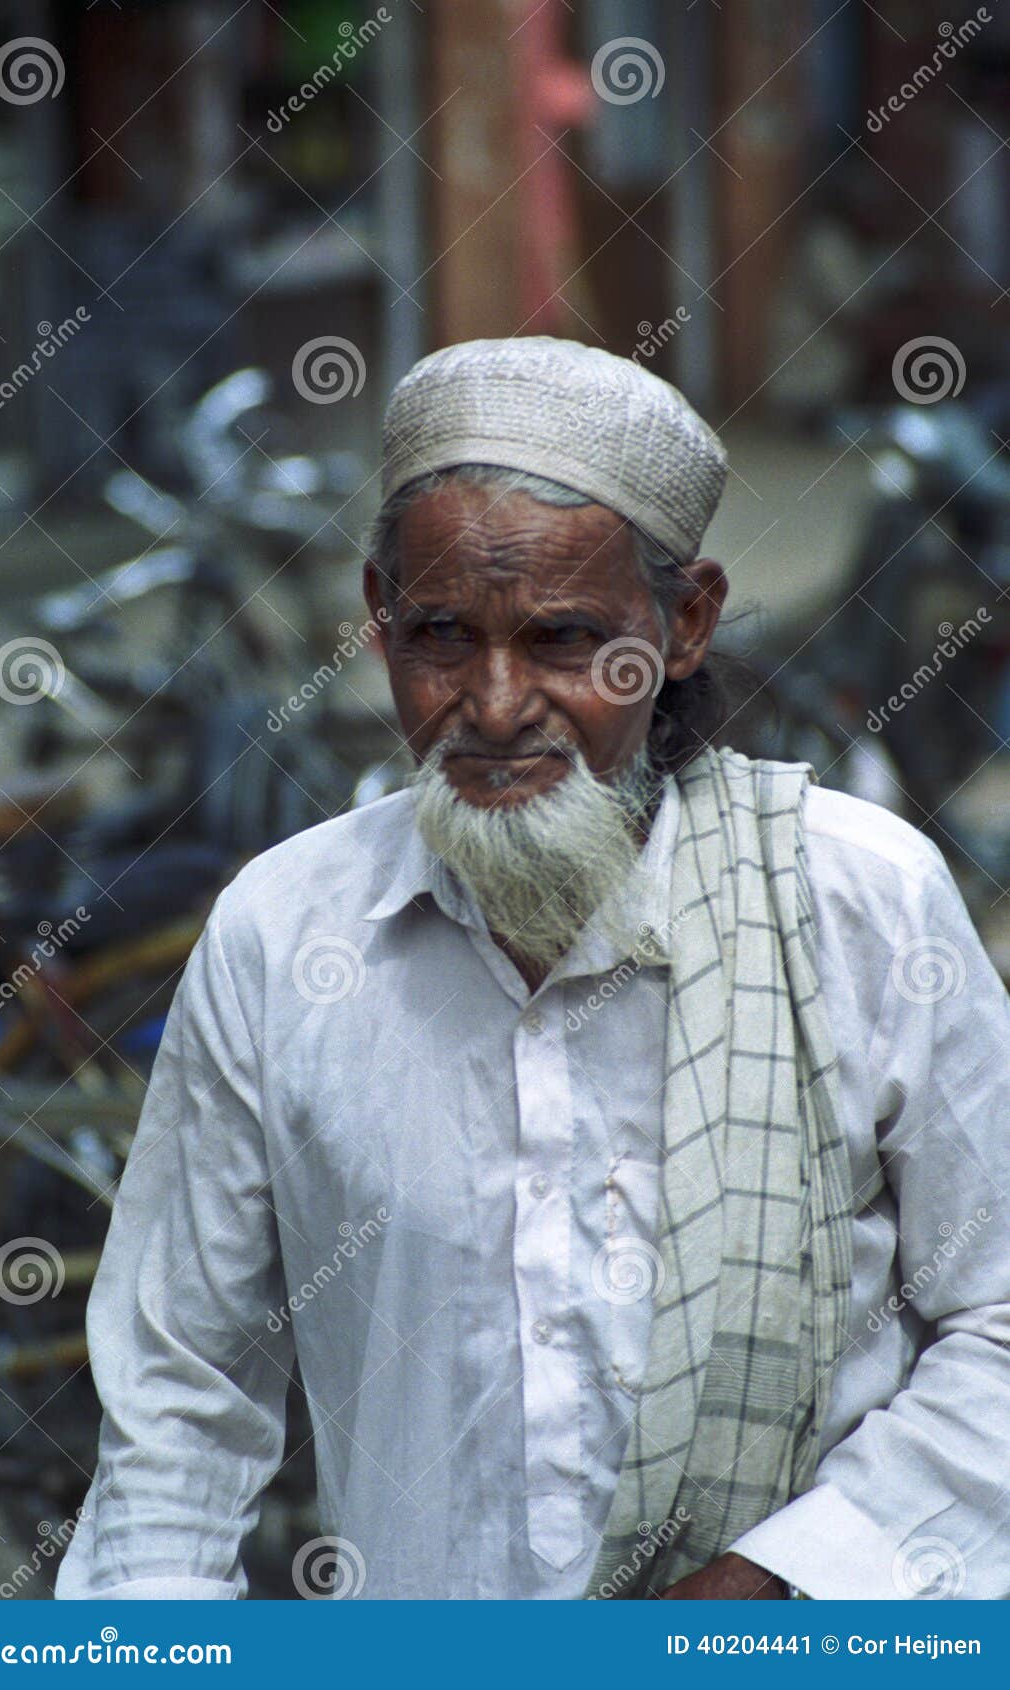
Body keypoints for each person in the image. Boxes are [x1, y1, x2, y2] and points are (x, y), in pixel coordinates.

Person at [56, 337, 1009, 1601]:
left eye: (564, 639)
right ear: (379, 618)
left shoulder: (859, 904)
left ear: (684, 625)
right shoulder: (282, 937)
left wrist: (784, 1578)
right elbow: (180, 1406)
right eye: (441, 635)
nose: (495, 705)